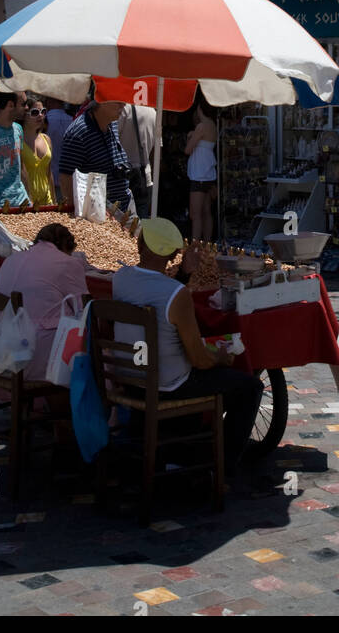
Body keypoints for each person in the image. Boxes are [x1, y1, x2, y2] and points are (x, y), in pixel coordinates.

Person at [113, 217, 264, 472]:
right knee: (250, 388)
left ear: (140, 245)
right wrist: (223, 358)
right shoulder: (177, 294)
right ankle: (223, 467)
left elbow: (156, 294)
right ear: (172, 254)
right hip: (167, 384)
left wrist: (184, 274)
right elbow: (199, 360)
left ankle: (184, 448)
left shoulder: (121, 278)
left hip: (128, 378)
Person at [0, 222, 101, 382]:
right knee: (95, 349)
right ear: (66, 247)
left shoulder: (10, 260)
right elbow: (83, 310)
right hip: (32, 354)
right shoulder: (68, 263)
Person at [57, 98, 132, 211]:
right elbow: (66, 179)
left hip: (123, 208)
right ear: (101, 100)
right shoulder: (78, 133)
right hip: (96, 215)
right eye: (117, 100)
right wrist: (75, 215)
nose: (124, 104)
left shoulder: (113, 124)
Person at [185, 95, 217, 244]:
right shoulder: (212, 125)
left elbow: (188, 149)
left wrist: (190, 137)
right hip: (209, 173)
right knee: (206, 212)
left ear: (199, 109)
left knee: (195, 214)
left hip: (198, 174)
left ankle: (195, 246)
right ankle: (207, 244)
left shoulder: (201, 126)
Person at [117, 103, 158, 218]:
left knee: (120, 223)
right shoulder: (153, 113)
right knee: (141, 223)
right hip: (146, 177)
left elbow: (112, 139)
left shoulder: (123, 109)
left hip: (122, 175)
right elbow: (157, 151)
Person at [21, 97, 55, 206]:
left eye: (43, 111)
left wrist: (54, 201)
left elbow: (49, 174)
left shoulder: (47, 139)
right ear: (25, 116)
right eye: (35, 112)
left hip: (47, 201)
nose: (41, 115)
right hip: (26, 202)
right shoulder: (17, 141)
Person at [43, 97, 72, 197]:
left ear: (49, 101)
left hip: (48, 178)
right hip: (67, 177)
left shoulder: (44, 121)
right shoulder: (72, 120)